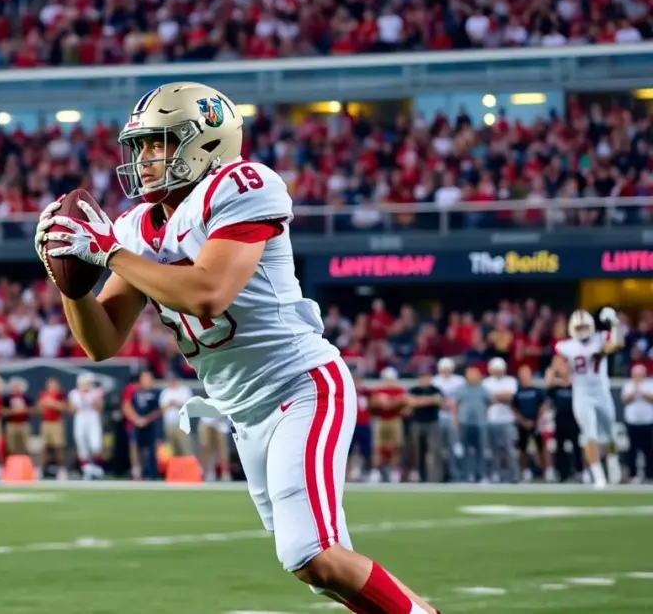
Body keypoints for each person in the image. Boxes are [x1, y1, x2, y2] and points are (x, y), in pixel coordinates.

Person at [36, 81, 437, 614]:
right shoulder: (135, 229)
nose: (146, 158)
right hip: (244, 411)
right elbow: (102, 341)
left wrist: (108, 254)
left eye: (160, 142)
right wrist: (71, 281)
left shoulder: (243, 185)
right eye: (141, 145)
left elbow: (209, 293)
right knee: (318, 568)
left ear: (206, 141)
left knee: (313, 553)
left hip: (300, 386)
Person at [554, 308, 624, 488]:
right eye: (579, 327)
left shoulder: (600, 338)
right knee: (589, 434)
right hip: (582, 394)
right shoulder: (566, 347)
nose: (582, 330)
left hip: (602, 392)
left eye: (584, 326)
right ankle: (598, 475)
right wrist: (561, 370)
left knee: (610, 433)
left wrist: (615, 325)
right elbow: (558, 367)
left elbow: (616, 345)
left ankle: (612, 461)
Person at [482, 358, 518, 483]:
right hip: (490, 420)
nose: (498, 372)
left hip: (507, 420)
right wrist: (501, 397)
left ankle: (512, 475)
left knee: (508, 449)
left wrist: (494, 397)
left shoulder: (511, 381)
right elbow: (486, 400)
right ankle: (495, 474)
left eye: (500, 370)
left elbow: (510, 397)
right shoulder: (486, 382)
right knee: (493, 450)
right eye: (495, 370)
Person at [512, 366, 549, 482]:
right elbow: (514, 408)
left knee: (541, 448)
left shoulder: (537, 391)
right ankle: (524, 471)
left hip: (536, 423)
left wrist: (537, 420)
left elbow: (543, 405)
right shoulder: (517, 392)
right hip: (523, 424)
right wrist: (523, 421)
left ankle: (546, 471)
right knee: (523, 449)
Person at [620, 363, 653, 483]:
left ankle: (650, 475)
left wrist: (642, 392)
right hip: (632, 422)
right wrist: (634, 390)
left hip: (648, 421)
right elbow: (624, 399)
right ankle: (633, 475)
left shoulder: (650, 384)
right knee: (632, 450)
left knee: (649, 449)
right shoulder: (628, 385)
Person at [69, 373, 105, 479]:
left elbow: (100, 408)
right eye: (83, 383)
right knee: (81, 443)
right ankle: (86, 470)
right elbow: (72, 409)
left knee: (96, 445)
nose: (85, 385)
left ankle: (96, 467)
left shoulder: (96, 392)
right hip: (80, 418)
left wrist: (93, 397)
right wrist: (81, 397)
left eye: (87, 383)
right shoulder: (74, 393)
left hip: (93, 417)